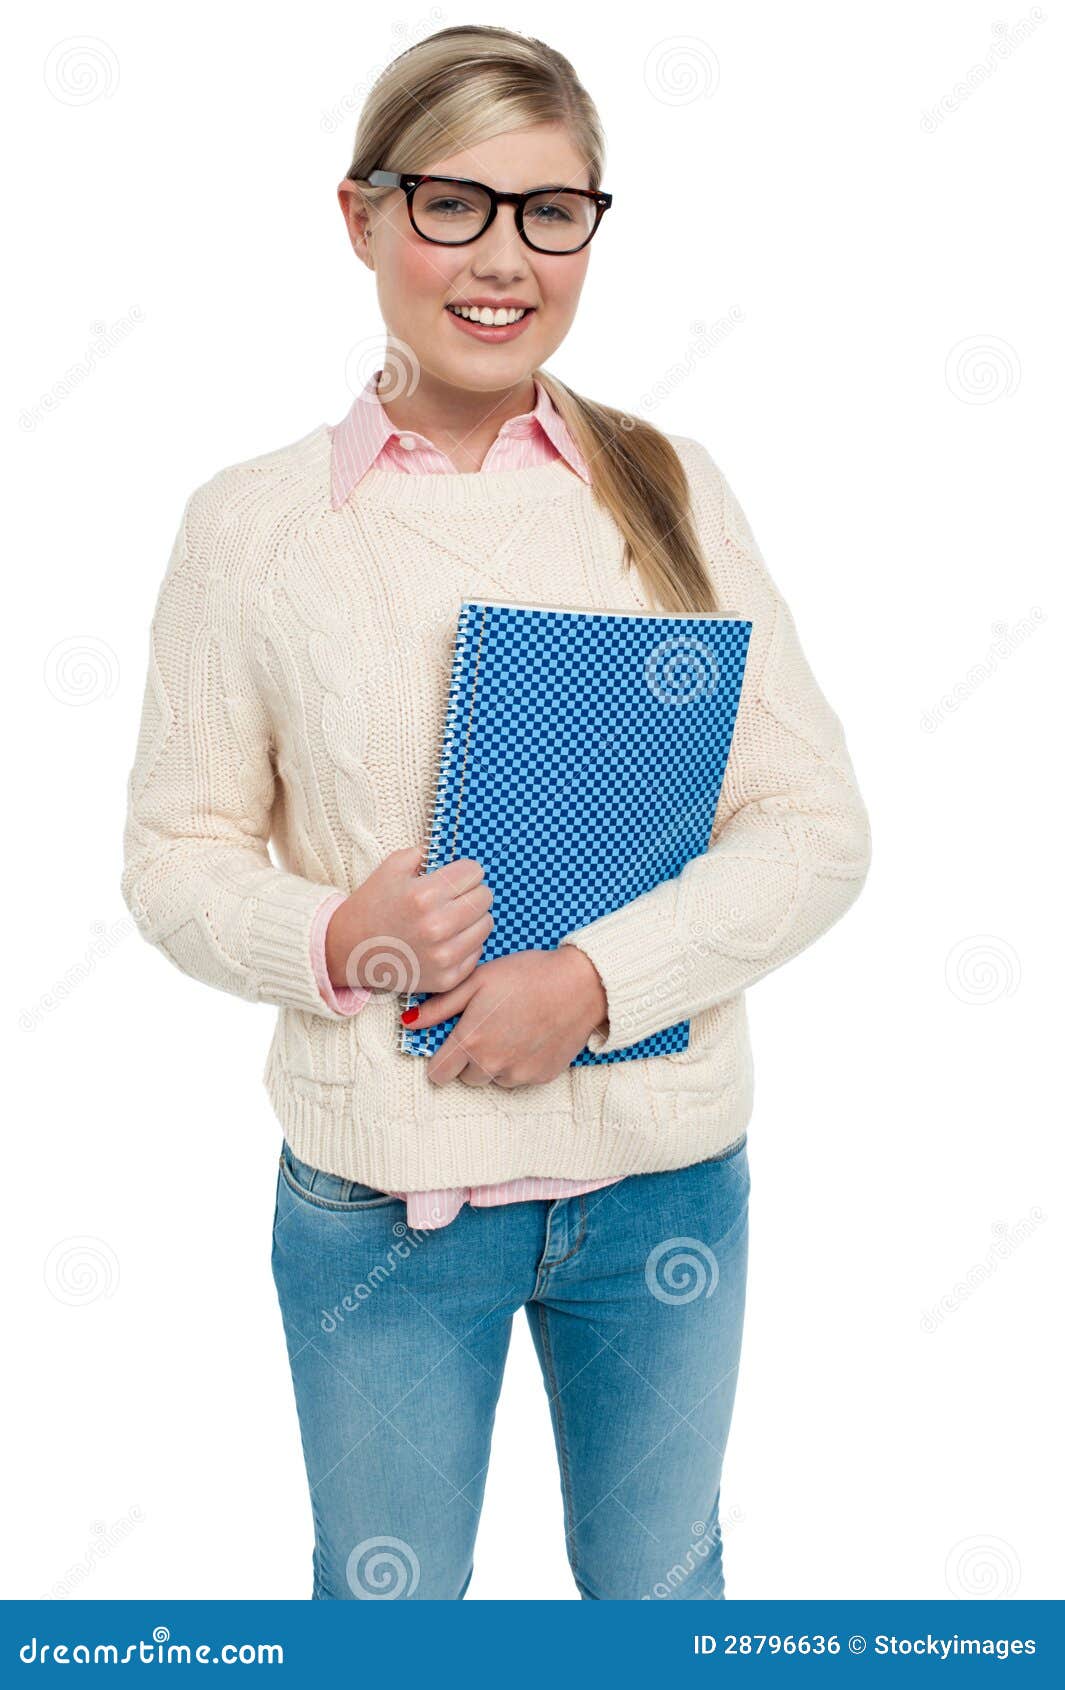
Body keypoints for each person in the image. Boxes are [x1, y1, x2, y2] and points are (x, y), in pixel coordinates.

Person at [120, 24, 872, 1601]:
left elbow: (811, 826)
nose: (502, 258)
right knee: (386, 1613)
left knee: (663, 1596)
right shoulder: (251, 528)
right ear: (362, 218)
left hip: (662, 1180)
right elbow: (172, 857)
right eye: (451, 204)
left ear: (592, 225)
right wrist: (334, 933)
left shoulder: (667, 483)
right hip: (381, 1206)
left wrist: (587, 988)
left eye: (552, 211)